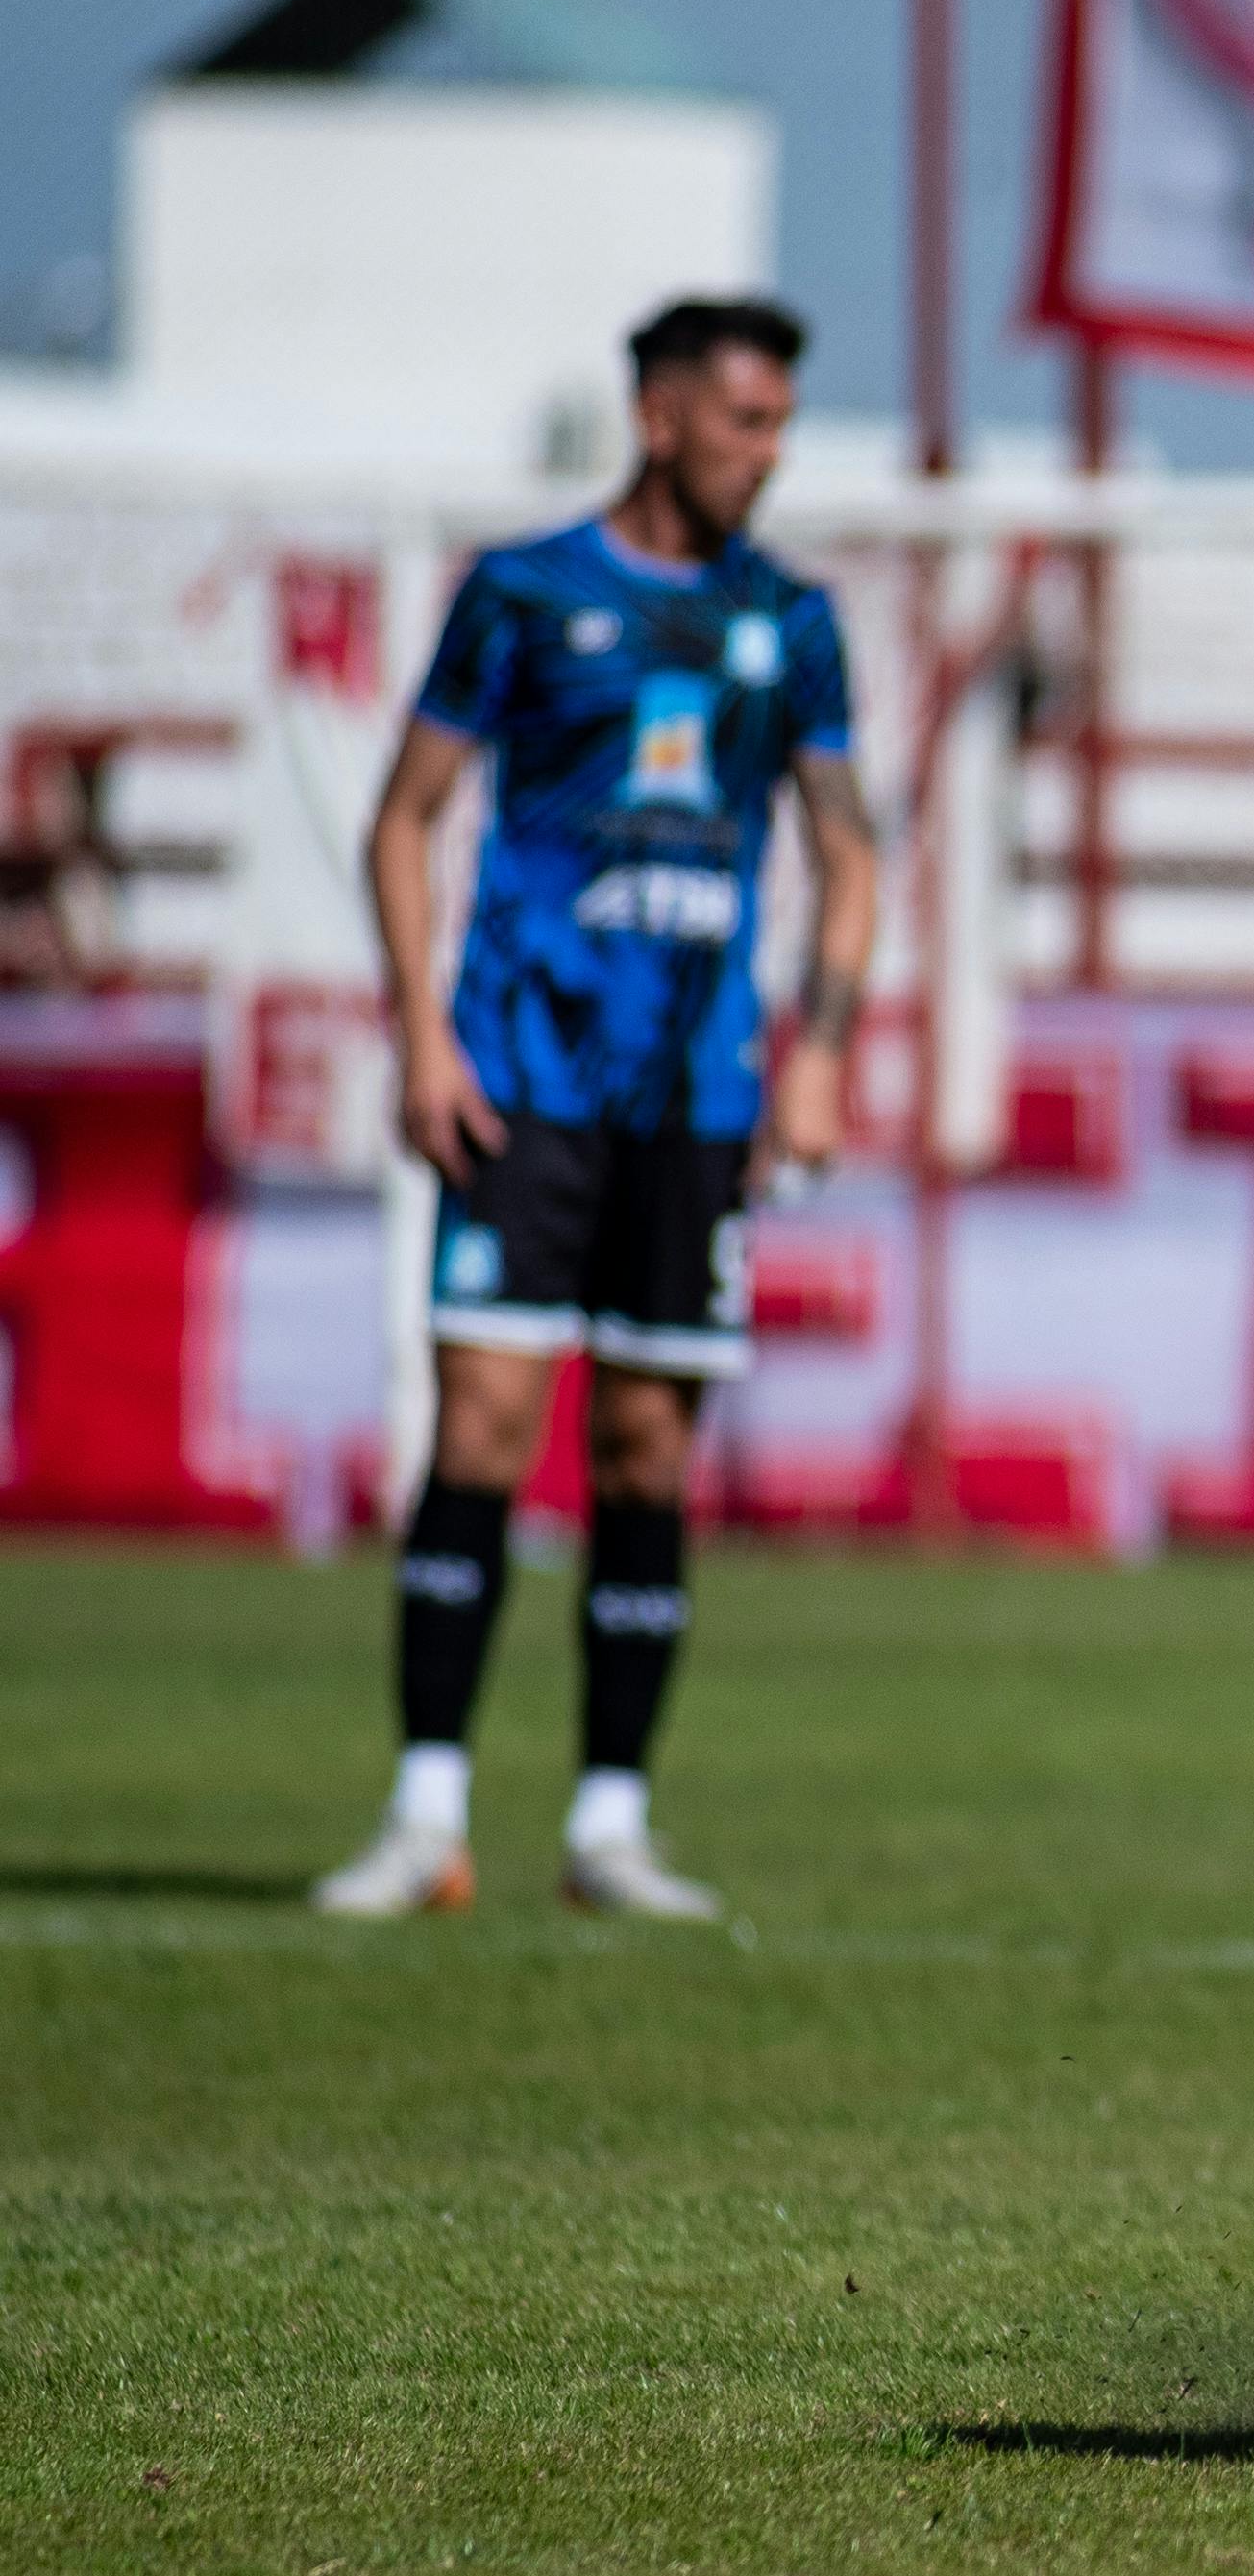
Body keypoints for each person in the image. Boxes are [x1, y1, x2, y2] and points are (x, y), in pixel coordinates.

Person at [313, 296, 875, 1923]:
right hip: (525, 1079)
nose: (766, 454)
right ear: (660, 416)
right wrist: (423, 1035)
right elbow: (405, 818)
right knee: (482, 1423)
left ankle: (609, 1825)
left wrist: (821, 1050)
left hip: (693, 1097)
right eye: (745, 420)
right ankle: (426, 1811)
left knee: (645, 1445)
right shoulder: (523, 592)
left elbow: (848, 849)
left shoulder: (791, 620)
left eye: (780, 425)